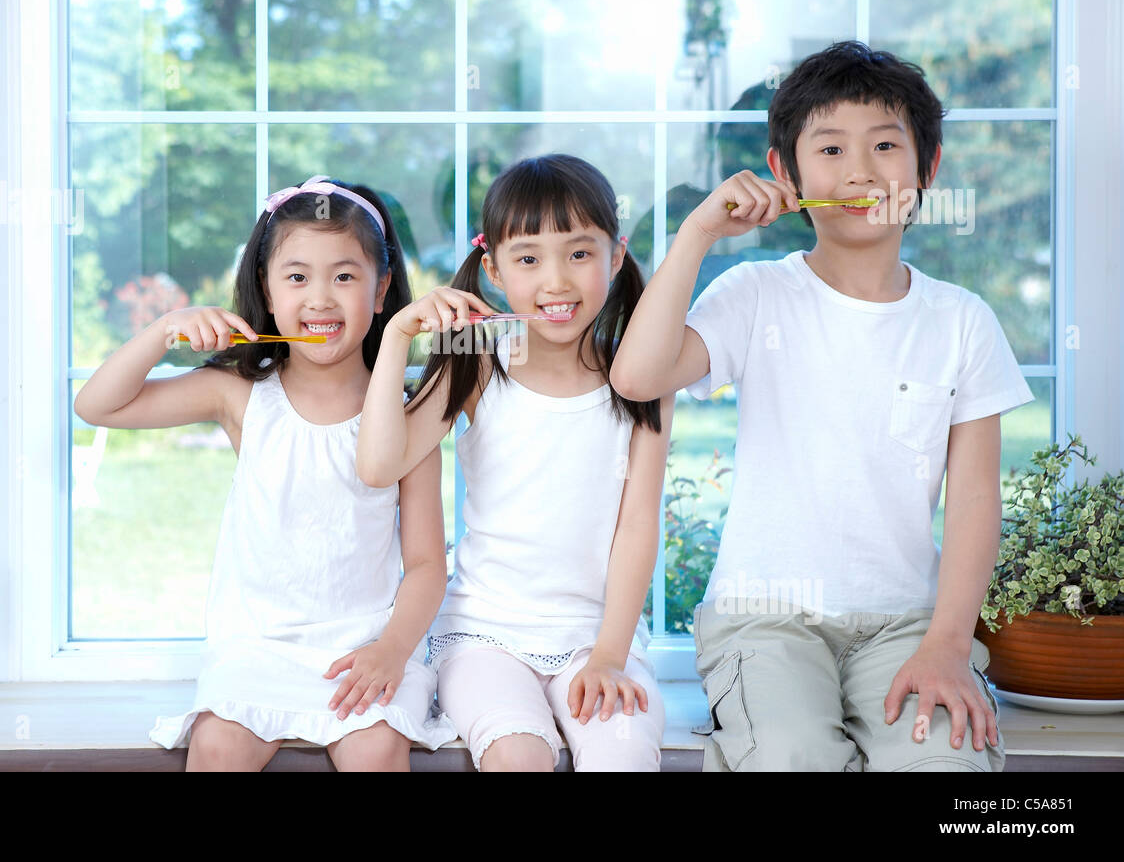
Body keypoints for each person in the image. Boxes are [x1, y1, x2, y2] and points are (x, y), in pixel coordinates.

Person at [612, 41, 1033, 771]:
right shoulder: (753, 294)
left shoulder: (963, 321)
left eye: (885, 146)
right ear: (786, 172)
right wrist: (698, 234)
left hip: (909, 625)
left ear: (926, 169)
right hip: (762, 623)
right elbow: (638, 377)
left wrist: (945, 644)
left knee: (945, 763)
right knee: (791, 755)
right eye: (831, 147)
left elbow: (973, 503)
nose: (861, 170)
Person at [74, 175, 456, 771]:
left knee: (378, 752)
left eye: (345, 276)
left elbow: (429, 564)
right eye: (297, 276)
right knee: (218, 748)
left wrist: (391, 650)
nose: (320, 298)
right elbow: (98, 405)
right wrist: (161, 332)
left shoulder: (409, 417)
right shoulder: (240, 394)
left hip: (367, 648)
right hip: (257, 650)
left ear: (382, 291)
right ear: (267, 289)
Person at [356, 154, 672, 772]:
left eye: (579, 253)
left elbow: (638, 524)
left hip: (597, 640)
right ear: (495, 270)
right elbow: (379, 466)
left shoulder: (642, 377)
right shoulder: (479, 361)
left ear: (616, 256)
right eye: (528, 259)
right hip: (484, 636)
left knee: (626, 757)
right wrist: (398, 337)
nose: (555, 281)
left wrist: (609, 656)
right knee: (518, 758)